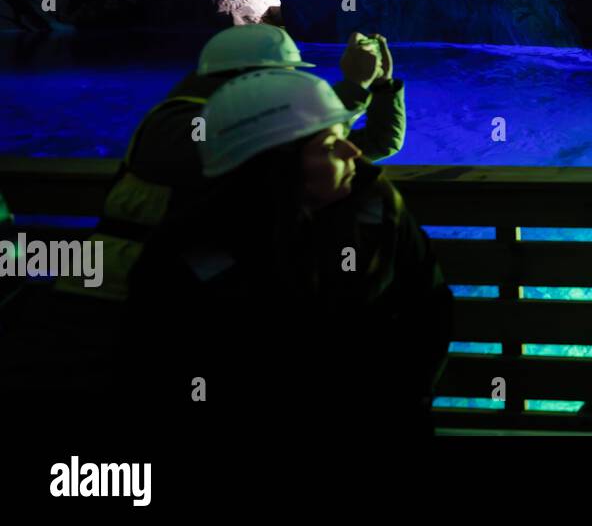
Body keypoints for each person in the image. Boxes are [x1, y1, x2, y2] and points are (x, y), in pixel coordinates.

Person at [121, 68, 452, 442]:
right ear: (276, 167)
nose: (354, 151)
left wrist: (404, 403)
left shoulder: (377, 209)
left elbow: (428, 309)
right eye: (330, 145)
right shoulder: (185, 257)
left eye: (345, 136)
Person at [59, 24, 404, 301]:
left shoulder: (253, 125)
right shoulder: (180, 121)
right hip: (111, 295)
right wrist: (355, 87)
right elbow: (273, 149)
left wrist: (383, 85)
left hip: (174, 292)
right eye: (283, 74)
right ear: (246, 76)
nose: (289, 84)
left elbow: (377, 143)